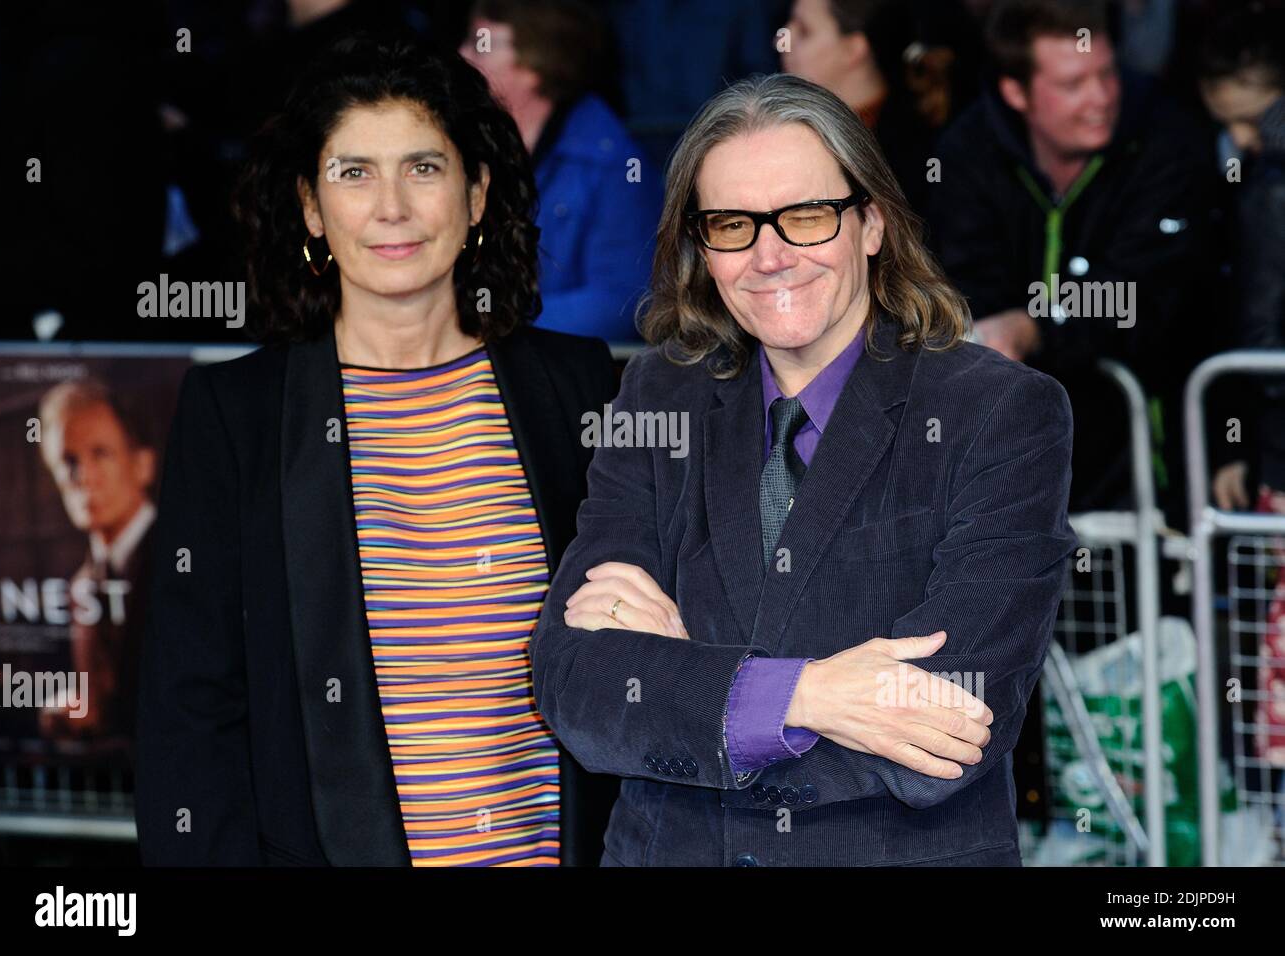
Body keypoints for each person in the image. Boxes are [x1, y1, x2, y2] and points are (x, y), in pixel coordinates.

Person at [529, 72, 1076, 866]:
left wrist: (685, 683)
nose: (770, 256)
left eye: (806, 216)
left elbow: (952, 723)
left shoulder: (997, 412)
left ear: (873, 224)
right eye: (731, 225)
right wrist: (810, 695)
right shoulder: (658, 393)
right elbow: (574, 683)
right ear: (701, 246)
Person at [135, 37, 618, 867]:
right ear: (313, 208)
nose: (390, 207)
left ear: (477, 195)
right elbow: (190, 711)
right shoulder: (236, 417)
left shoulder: (576, 387)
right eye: (354, 173)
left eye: (424, 168)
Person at [929, 0, 1213, 520]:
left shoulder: (1167, 141)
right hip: (1012, 467)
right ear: (1017, 92)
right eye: (1073, 84)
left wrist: (1036, 325)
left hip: (1146, 462)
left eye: (1106, 74)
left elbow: (1147, 294)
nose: (1101, 97)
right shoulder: (965, 154)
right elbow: (965, 289)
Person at [460, 0, 661, 341]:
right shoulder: (465, 143)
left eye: (484, 45)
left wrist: (490, 321)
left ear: (535, 62)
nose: (464, 54)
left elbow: (623, 301)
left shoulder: (612, 161)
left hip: (543, 368)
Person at [1197, 4, 1285, 773]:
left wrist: (1257, 454)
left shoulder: (1267, 185)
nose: (1246, 142)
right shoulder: (1255, 176)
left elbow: (1255, 329)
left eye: (1258, 120)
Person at [36, 379, 157, 744]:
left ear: (142, 465)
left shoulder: (193, 562)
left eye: (101, 453)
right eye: (68, 461)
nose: (83, 477)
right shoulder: (81, 585)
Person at [781, 0, 943, 212]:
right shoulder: (783, 126)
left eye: (804, 31)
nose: (783, 38)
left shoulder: (910, 158)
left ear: (853, 49)